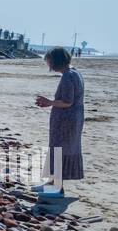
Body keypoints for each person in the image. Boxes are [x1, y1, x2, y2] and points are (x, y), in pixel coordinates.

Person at [35, 47, 84, 197]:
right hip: (72, 118)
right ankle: (53, 182)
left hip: (66, 120)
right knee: (62, 149)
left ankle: (57, 187)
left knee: (59, 149)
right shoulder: (74, 72)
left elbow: (67, 102)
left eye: (49, 61)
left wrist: (49, 102)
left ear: (56, 61)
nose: (48, 64)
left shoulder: (68, 76)